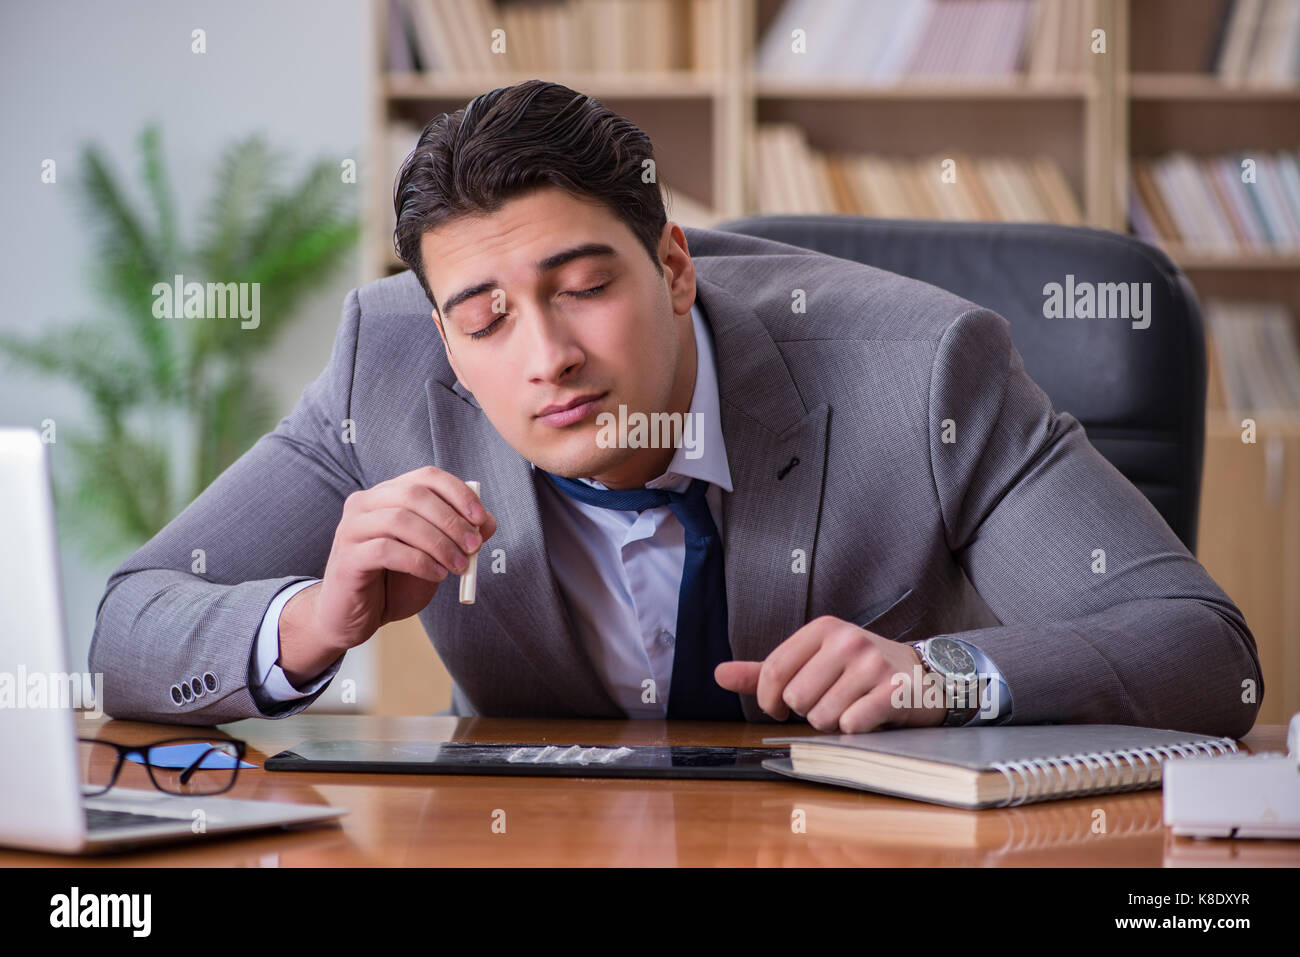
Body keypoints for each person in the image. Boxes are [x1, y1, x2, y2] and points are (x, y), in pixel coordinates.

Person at [90, 80, 1262, 737]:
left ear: (674, 267)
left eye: (585, 287)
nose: (546, 354)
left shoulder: (926, 372)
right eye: (484, 317)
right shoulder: (381, 367)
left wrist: (946, 673)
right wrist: (307, 623)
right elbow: (127, 627)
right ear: (441, 332)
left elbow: (1204, 655)